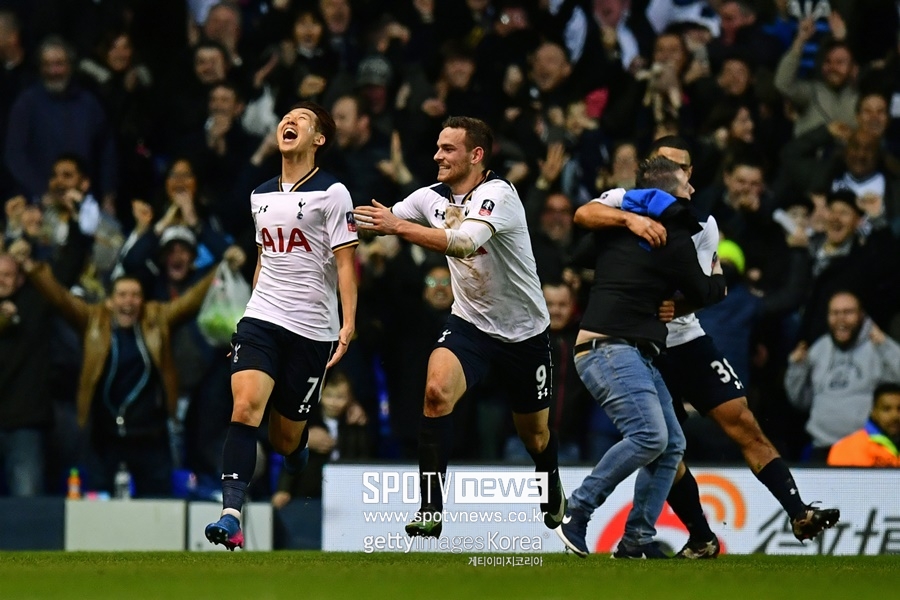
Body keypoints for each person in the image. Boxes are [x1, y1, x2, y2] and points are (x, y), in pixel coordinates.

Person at [577, 136, 839, 557]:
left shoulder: (703, 224)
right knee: (664, 444)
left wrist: (678, 303)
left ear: (689, 174)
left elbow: (711, 289)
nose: (676, 176)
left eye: (681, 168)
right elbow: (586, 214)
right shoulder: (624, 200)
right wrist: (628, 222)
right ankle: (699, 536)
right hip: (641, 339)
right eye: (667, 166)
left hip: (685, 336)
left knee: (742, 419)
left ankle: (798, 511)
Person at [352, 116, 565, 537]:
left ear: (476, 155)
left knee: (536, 436)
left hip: (524, 334)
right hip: (471, 325)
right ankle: (430, 508)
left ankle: (549, 475)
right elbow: (380, 222)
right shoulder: (429, 198)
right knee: (435, 392)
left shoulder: (498, 194)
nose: (437, 156)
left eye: (448, 149)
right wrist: (319, 221)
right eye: (437, 147)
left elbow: (466, 241)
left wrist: (401, 228)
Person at [555, 156, 727, 559]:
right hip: (612, 347)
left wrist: (624, 227)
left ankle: (636, 541)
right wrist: (716, 272)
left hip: (620, 348)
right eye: (686, 185)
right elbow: (705, 293)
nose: (692, 192)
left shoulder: (614, 222)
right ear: (671, 191)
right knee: (650, 436)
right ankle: (577, 513)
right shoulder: (679, 233)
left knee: (670, 445)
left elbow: (579, 251)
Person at [205, 101, 358, 550]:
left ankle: (297, 449)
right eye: (286, 117)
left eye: (303, 119)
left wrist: (348, 324)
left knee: (284, 437)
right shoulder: (259, 195)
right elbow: (263, 260)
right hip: (262, 317)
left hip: (313, 328)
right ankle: (231, 513)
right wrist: (250, 306)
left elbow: (346, 265)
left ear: (319, 139)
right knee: (245, 407)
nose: (289, 122)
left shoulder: (333, 193)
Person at [9, 238, 239, 497]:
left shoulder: (156, 319)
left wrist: (220, 269)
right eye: (122, 295)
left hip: (150, 436)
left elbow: (190, 301)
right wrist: (30, 267)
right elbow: (60, 298)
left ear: (142, 300)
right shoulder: (94, 320)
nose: (129, 302)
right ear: (110, 301)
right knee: (100, 509)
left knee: (159, 508)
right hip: (103, 437)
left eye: (135, 295)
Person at [786, 290, 900, 460]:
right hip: (822, 446)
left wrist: (885, 346)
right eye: (835, 313)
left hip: (863, 448)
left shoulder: (876, 347)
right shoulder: (819, 348)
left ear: (861, 315)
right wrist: (796, 368)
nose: (841, 318)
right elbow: (800, 400)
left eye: (848, 312)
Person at [827, 383, 900, 468]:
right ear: (874, 412)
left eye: (899, 409)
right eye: (886, 409)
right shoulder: (849, 448)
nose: (895, 416)